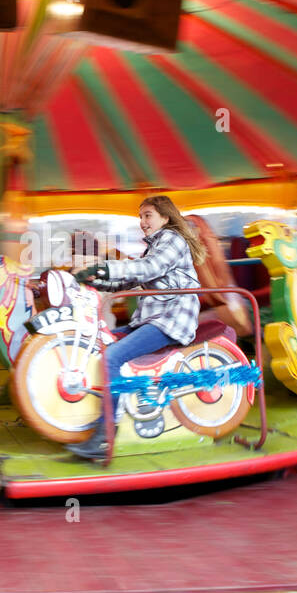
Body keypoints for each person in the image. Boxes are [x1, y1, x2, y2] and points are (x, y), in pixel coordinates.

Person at [68, 195, 206, 459]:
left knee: (112, 356)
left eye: (147, 215)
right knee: (101, 343)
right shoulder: (154, 246)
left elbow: (148, 268)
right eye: (140, 216)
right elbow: (128, 281)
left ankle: (105, 436)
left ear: (165, 217)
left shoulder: (172, 240)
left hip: (171, 319)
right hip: (152, 319)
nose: (142, 222)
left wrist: (104, 268)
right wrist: (95, 282)